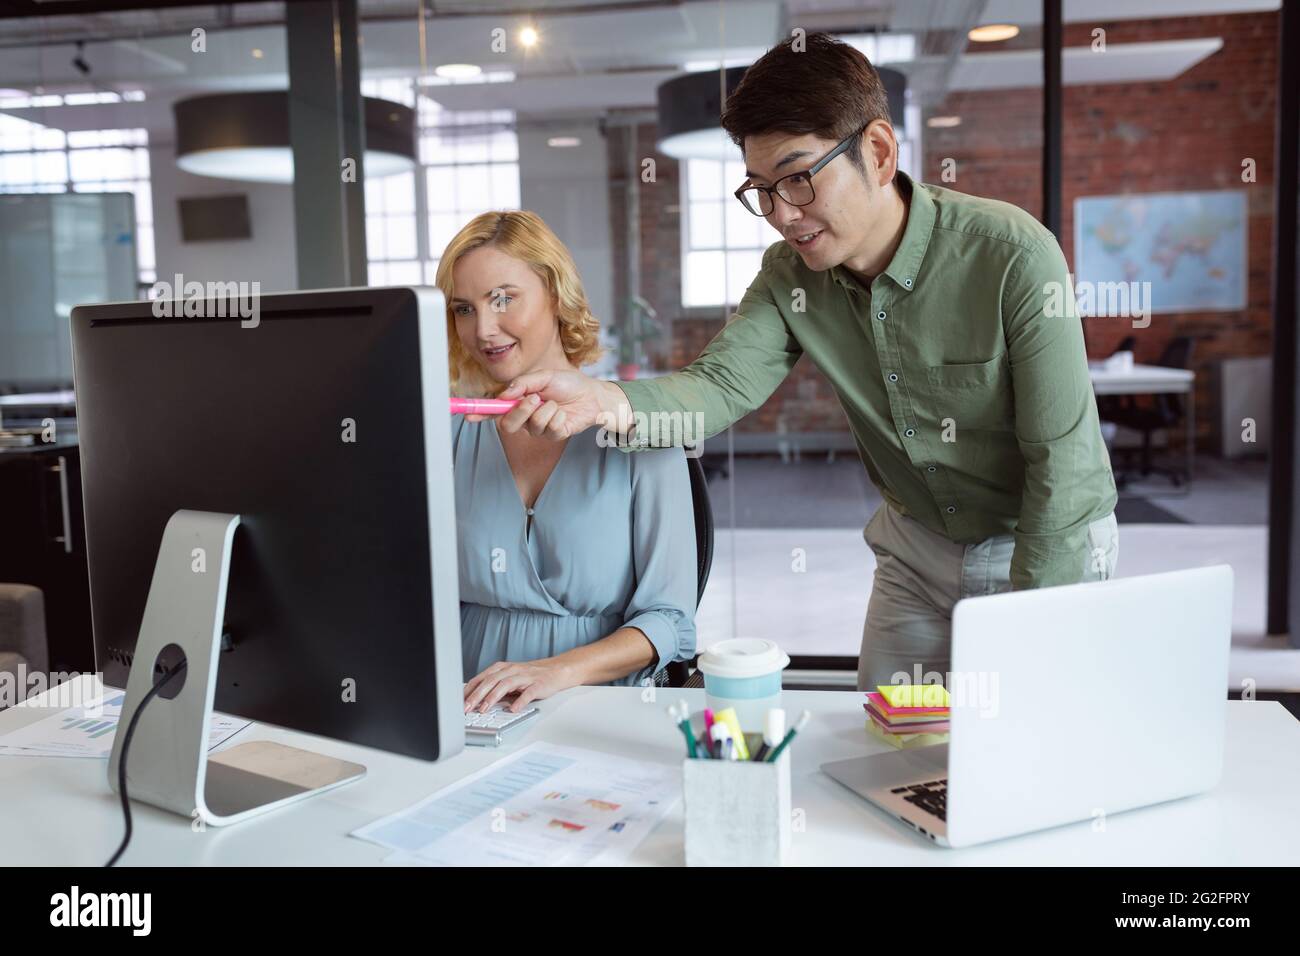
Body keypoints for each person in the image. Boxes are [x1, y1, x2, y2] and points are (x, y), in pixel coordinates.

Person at [469, 34, 1119, 691]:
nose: (782, 214)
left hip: (1037, 537)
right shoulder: (790, 276)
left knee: (1021, 747)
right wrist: (601, 400)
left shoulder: (1010, 256)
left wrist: (1038, 625)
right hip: (915, 546)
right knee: (887, 748)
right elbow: (719, 384)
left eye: (799, 177)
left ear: (879, 151)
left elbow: (1060, 468)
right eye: (762, 190)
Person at [439, 210, 697, 713]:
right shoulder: (450, 434)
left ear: (556, 294)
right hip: (467, 707)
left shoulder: (637, 427)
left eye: (503, 299)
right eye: (464, 309)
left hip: (600, 706)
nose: (484, 329)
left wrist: (558, 672)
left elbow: (670, 621)